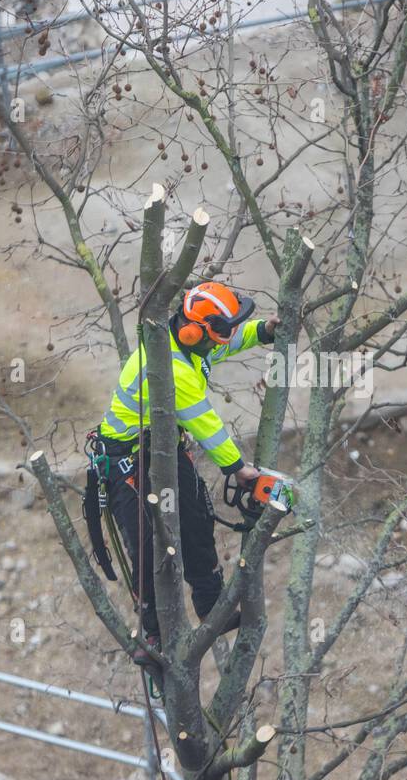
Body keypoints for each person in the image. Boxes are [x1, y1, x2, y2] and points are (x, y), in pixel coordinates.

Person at [89, 281, 279, 669]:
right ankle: (153, 633)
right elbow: (207, 426)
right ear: (194, 331)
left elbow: (228, 339)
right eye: (218, 332)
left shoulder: (193, 343)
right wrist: (239, 470)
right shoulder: (172, 369)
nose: (223, 340)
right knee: (148, 548)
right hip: (126, 461)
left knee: (196, 520)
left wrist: (263, 331)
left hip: (162, 447)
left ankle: (212, 604)